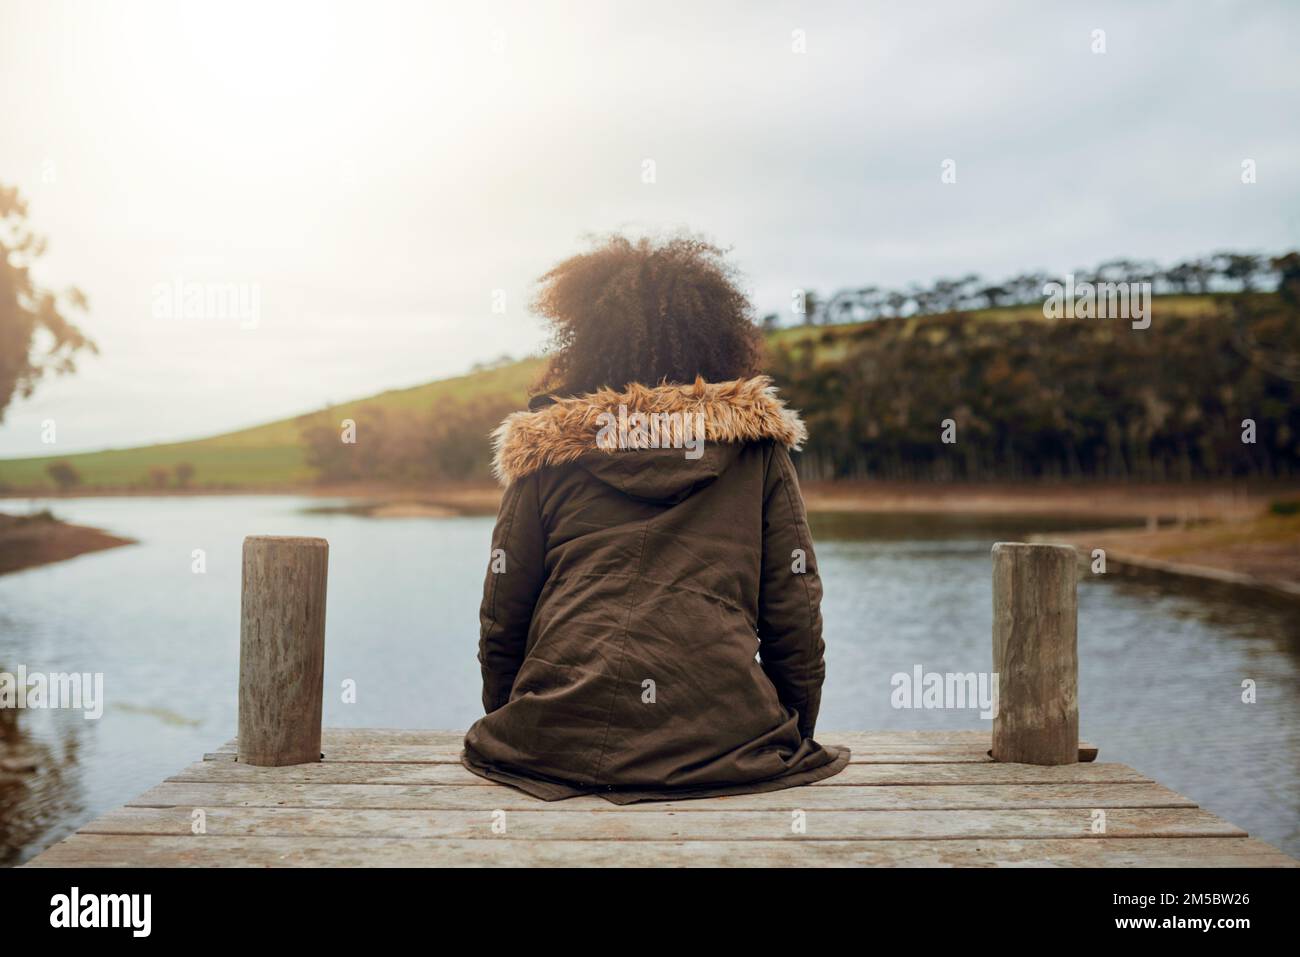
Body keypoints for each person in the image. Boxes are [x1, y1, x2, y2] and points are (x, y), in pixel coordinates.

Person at [462, 234, 848, 802]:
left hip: (547, 740)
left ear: (583, 339)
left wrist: (519, 724)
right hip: (724, 742)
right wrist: (790, 731)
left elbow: (504, 609)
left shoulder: (546, 454)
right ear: (717, 340)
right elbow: (794, 608)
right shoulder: (756, 451)